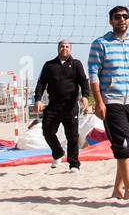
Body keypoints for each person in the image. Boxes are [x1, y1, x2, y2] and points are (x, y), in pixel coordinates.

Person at [88, 6, 129, 199]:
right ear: (111, 21)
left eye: (125, 17)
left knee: (128, 147)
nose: (121, 20)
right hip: (111, 102)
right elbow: (93, 75)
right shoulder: (100, 44)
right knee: (123, 145)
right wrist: (99, 102)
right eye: (117, 17)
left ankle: (117, 189)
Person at [34, 39, 90, 170]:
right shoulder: (49, 65)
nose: (65, 48)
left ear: (70, 49)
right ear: (58, 48)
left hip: (70, 106)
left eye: (67, 47)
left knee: (72, 136)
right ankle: (58, 152)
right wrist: (38, 99)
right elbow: (41, 83)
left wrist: (85, 97)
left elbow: (84, 82)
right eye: (62, 46)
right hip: (53, 105)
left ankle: (74, 164)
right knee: (47, 131)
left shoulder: (76, 64)